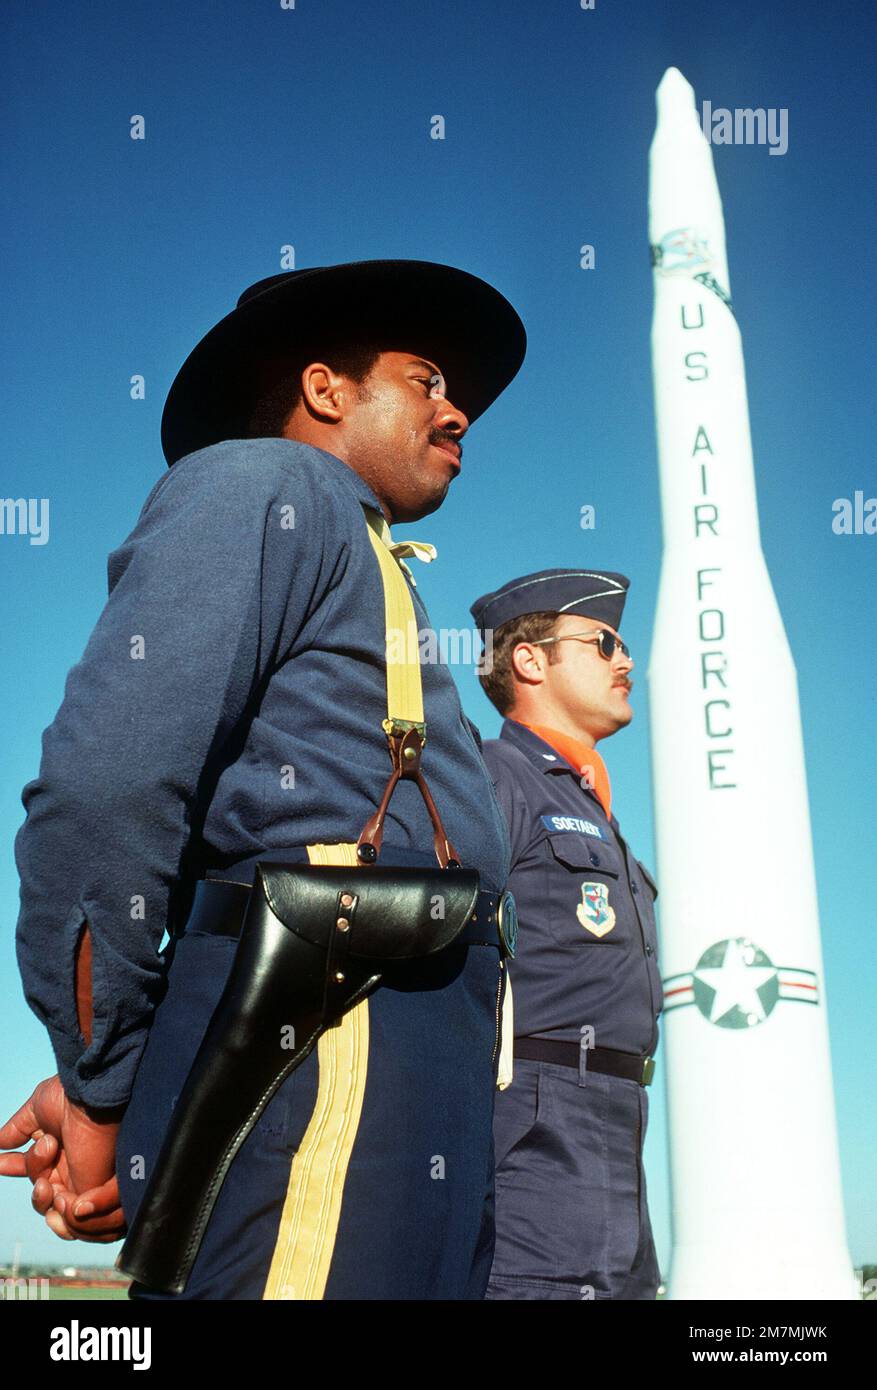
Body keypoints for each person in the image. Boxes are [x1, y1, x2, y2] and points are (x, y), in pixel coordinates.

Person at [1, 259, 526, 1299]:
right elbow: (106, 790)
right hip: (331, 1032)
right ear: (326, 389)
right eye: (426, 379)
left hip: (405, 1039)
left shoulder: (359, 544)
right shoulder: (262, 484)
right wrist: (107, 1086)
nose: (458, 410)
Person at [469, 568, 662, 1300]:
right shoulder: (494, 778)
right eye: (603, 641)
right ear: (529, 660)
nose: (626, 661)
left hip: (614, 1121)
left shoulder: (585, 800)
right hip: (535, 1121)